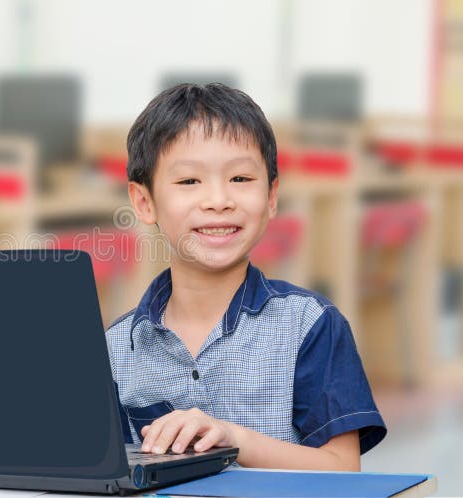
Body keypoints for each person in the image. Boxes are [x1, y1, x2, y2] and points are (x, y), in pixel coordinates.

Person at [106, 83, 386, 470]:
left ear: (272, 197)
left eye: (240, 179)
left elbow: (342, 469)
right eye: (189, 181)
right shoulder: (117, 349)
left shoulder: (310, 325)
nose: (219, 200)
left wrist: (234, 440)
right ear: (144, 202)